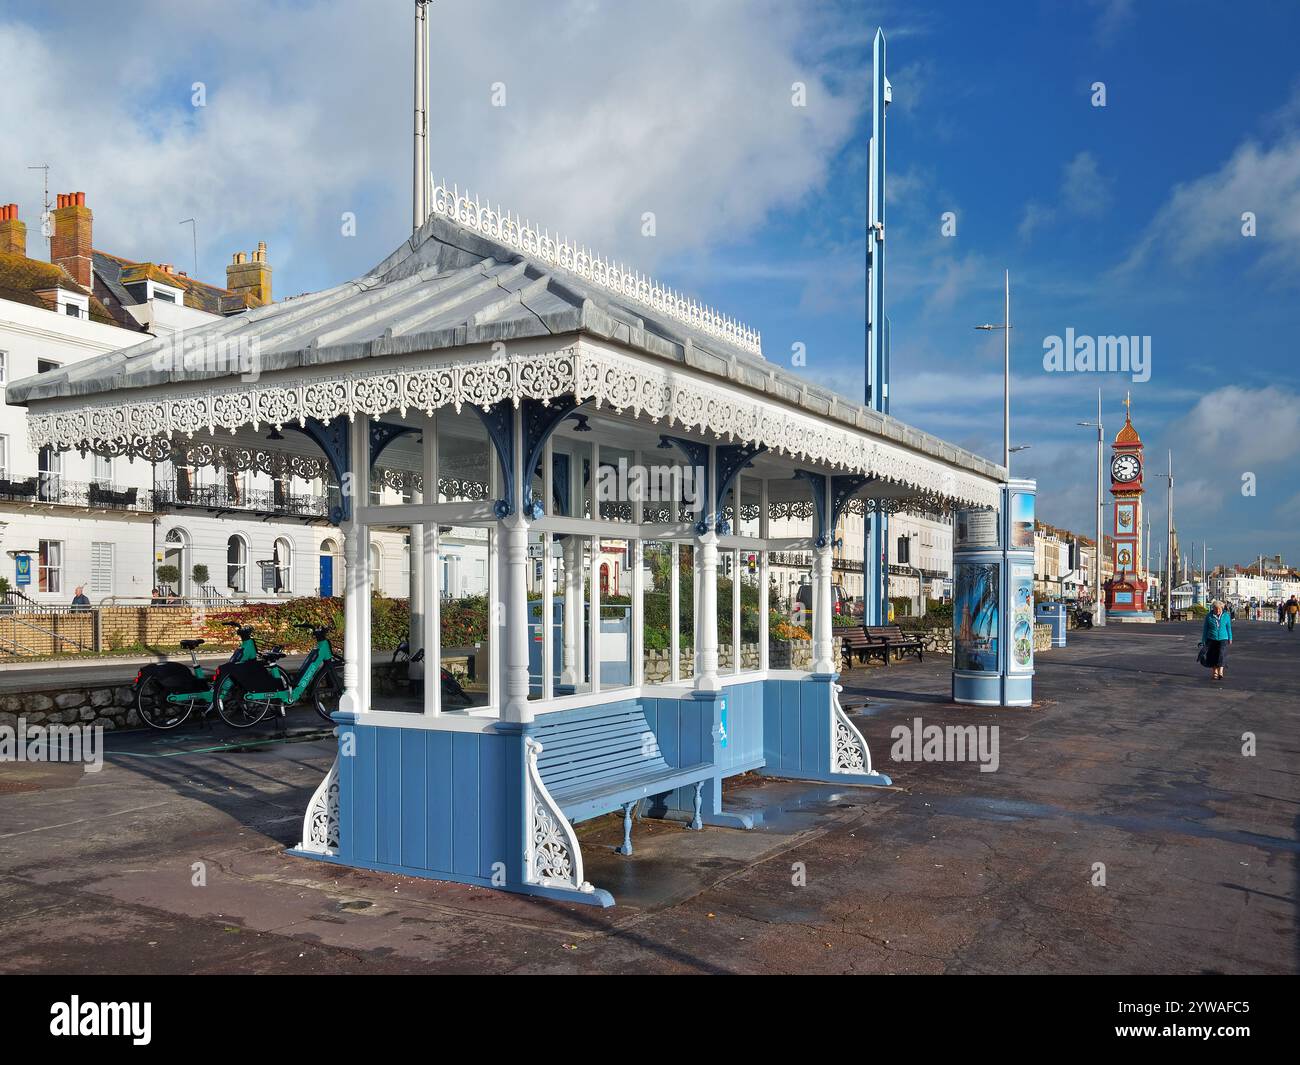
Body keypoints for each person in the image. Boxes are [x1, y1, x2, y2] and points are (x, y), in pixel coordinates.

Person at [1201, 599, 1232, 681]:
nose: (1218, 610)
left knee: (1221, 654)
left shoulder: (1226, 616)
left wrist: (1230, 638)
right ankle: (1215, 671)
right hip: (1211, 638)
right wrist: (1203, 640)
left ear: (1222, 608)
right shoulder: (1209, 616)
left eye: (1219, 609)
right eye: (1216, 609)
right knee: (1212, 655)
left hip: (1223, 638)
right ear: (1213, 608)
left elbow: (1228, 628)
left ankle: (1221, 671)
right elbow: (1205, 629)